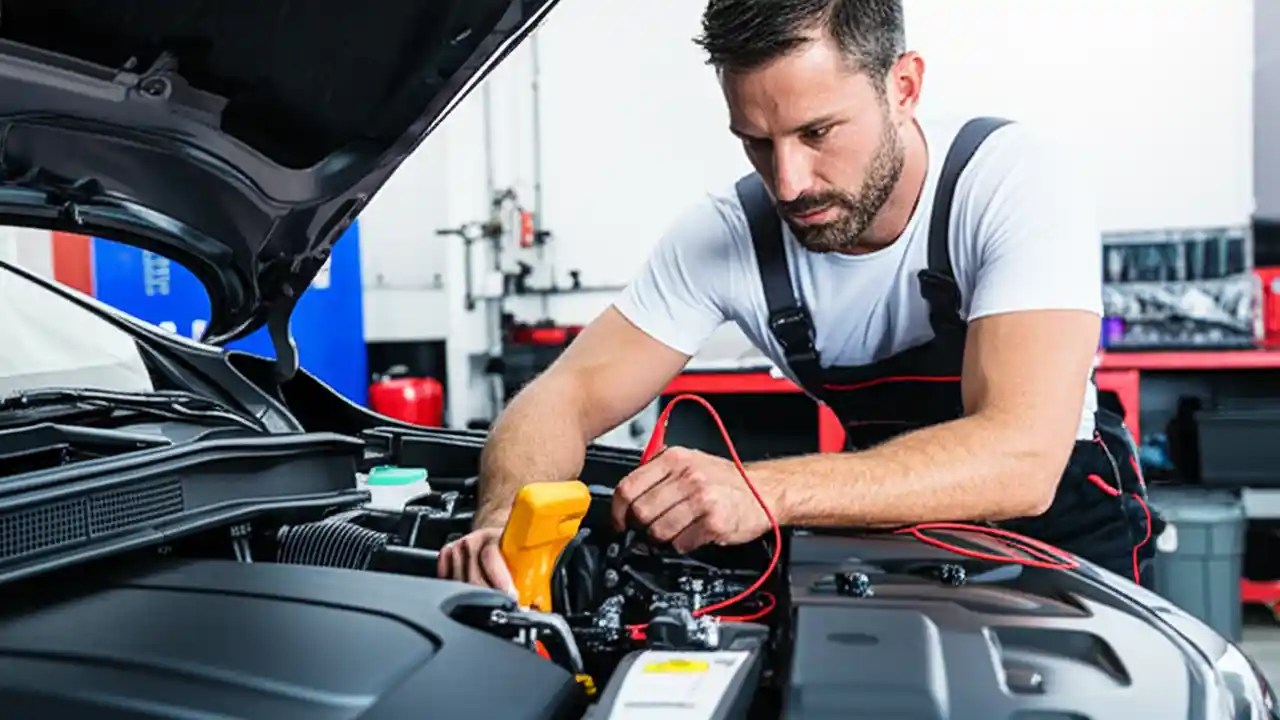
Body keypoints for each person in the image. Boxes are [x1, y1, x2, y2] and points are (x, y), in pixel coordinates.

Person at [437, 0, 1161, 594]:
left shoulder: (1010, 181)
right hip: (899, 547)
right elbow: (559, 399)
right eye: (756, 141)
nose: (788, 183)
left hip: (1067, 555)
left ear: (902, 86)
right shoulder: (726, 236)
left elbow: (1022, 458)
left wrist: (762, 491)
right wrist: (503, 515)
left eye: (817, 132)